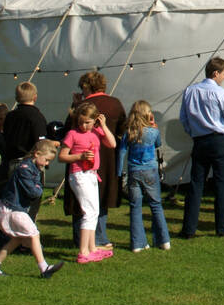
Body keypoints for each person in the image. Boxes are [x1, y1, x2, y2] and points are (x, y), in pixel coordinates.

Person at [0, 140, 65, 279]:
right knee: (34, 234)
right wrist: (38, 188)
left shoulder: (31, 168)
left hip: (15, 208)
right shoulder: (25, 169)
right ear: (37, 154)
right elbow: (34, 192)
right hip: (12, 209)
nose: (47, 164)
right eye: (46, 160)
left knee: (16, 239)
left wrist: (37, 187)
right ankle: (44, 267)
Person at [63, 72, 125, 250]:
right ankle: (99, 237)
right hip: (107, 158)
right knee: (100, 198)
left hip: (85, 159)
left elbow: (69, 128)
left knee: (82, 201)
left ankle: (82, 238)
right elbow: (122, 128)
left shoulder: (82, 107)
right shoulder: (115, 103)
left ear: (86, 86)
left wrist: (75, 105)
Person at [178, 57, 224, 238]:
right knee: (222, 183)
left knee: (196, 185)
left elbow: (184, 118)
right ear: (216, 73)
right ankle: (222, 226)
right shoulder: (220, 93)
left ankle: (189, 228)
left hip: (200, 140)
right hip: (218, 139)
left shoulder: (190, 91)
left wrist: (193, 131)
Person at [59, 101, 116, 262]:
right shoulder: (72, 134)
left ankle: (92, 247)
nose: (84, 125)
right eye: (81, 122)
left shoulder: (96, 132)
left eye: (87, 122)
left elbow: (112, 143)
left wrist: (103, 126)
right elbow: (62, 156)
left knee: (94, 212)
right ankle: (83, 251)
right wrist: (79, 157)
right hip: (79, 175)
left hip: (92, 174)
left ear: (95, 120)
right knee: (89, 212)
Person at [118, 100, 170, 251]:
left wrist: (119, 172)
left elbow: (121, 152)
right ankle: (164, 240)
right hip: (150, 171)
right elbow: (158, 145)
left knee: (135, 206)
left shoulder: (129, 132)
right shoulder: (153, 132)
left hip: (134, 171)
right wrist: (154, 127)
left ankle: (137, 243)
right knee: (156, 204)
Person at [2, 82, 49, 220]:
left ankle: (12, 235)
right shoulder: (37, 116)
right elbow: (40, 143)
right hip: (30, 164)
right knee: (31, 203)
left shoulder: (10, 116)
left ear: (17, 98)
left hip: (12, 162)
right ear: (35, 97)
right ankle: (26, 236)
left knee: (14, 202)